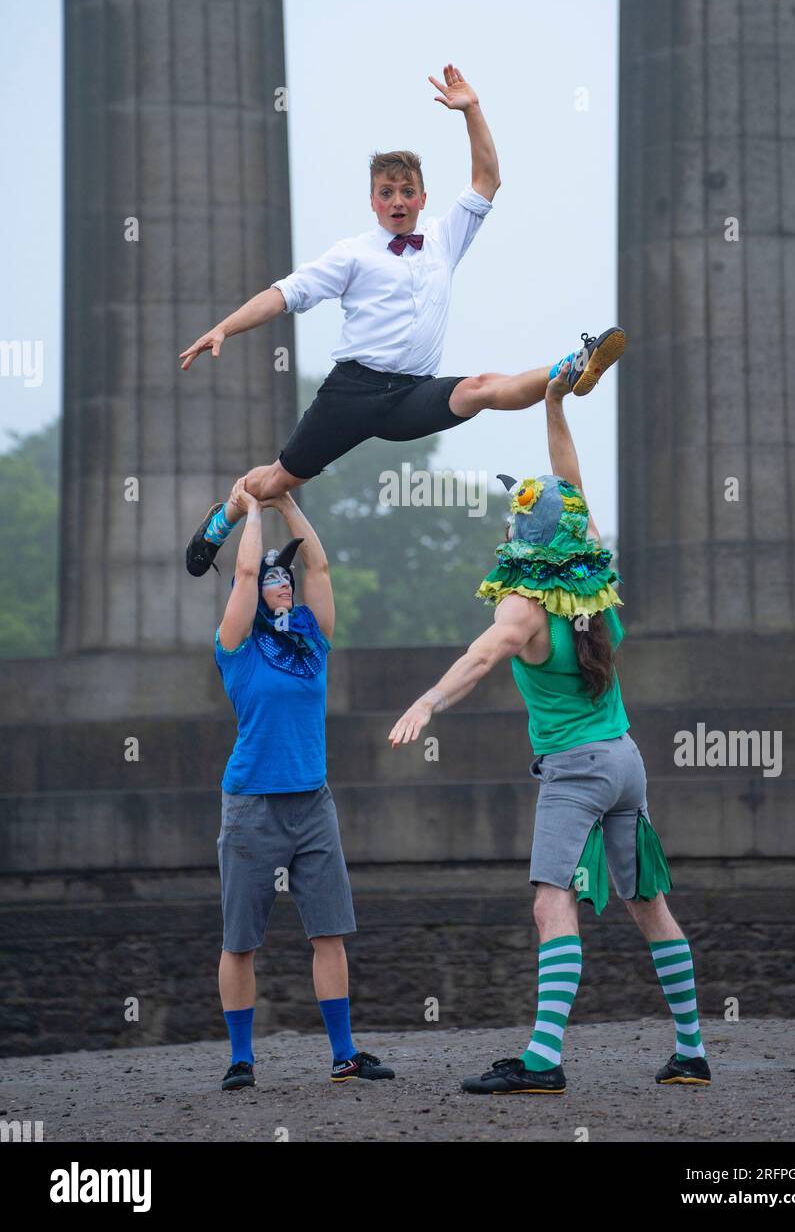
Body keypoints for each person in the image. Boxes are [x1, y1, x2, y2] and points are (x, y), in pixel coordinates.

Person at [388, 361, 710, 1094]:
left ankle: (541, 1062)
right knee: (646, 902)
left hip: (575, 770)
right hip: (626, 761)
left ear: (518, 537)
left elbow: (478, 659)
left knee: (550, 901)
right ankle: (691, 1049)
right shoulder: (595, 573)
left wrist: (428, 703)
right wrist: (555, 403)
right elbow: (573, 484)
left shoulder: (523, 609)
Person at [180, 61, 625, 576]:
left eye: (406, 192)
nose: (397, 201)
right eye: (387, 193)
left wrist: (472, 110)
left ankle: (572, 365)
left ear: (422, 198)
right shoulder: (353, 254)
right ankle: (226, 515)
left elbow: (488, 179)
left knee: (479, 387)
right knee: (277, 483)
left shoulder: (443, 237)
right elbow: (283, 295)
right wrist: (223, 327)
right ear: (372, 201)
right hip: (351, 393)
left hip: (411, 394)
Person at [215, 479, 393, 1090]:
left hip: (313, 801)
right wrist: (253, 507)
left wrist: (286, 495)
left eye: (283, 578)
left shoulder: (314, 635)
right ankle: (242, 1059)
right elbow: (242, 574)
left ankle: (344, 1055)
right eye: (273, 578)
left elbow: (316, 560)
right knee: (241, 941)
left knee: (330, 932)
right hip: (252, 804)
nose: (282, 581)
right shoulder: (237, 647)